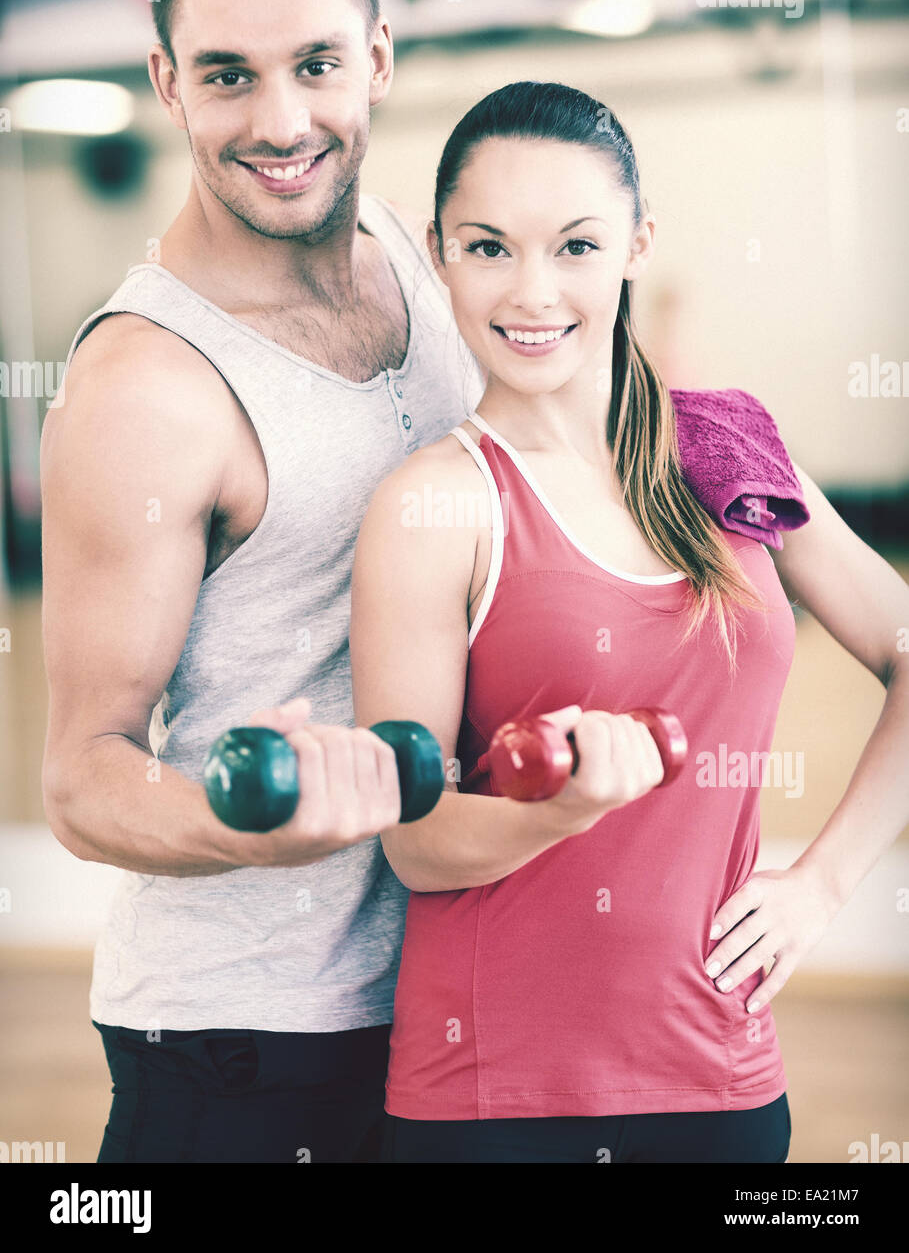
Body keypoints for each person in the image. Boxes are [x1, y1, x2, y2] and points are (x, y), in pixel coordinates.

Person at [350, 80, 909, 1163]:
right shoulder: (434, 505)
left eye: (575, 245)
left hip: (722, 1079)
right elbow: (415, 842)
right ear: (441, 255)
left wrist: (823, 883)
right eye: (488, 247)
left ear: (637, 243)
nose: (532, 291)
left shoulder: (729, 451)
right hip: (493, 1100)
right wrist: (561, 814)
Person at [39, 0, 482, 1163]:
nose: (281, 122)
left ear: (377, 60)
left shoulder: (416, 257)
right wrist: (251, 826)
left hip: (444, 1003)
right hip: (242, 1043)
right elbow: (81, 777)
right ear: (168, 84)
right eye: (228, 75)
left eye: (317, 65)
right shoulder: (146, 386)